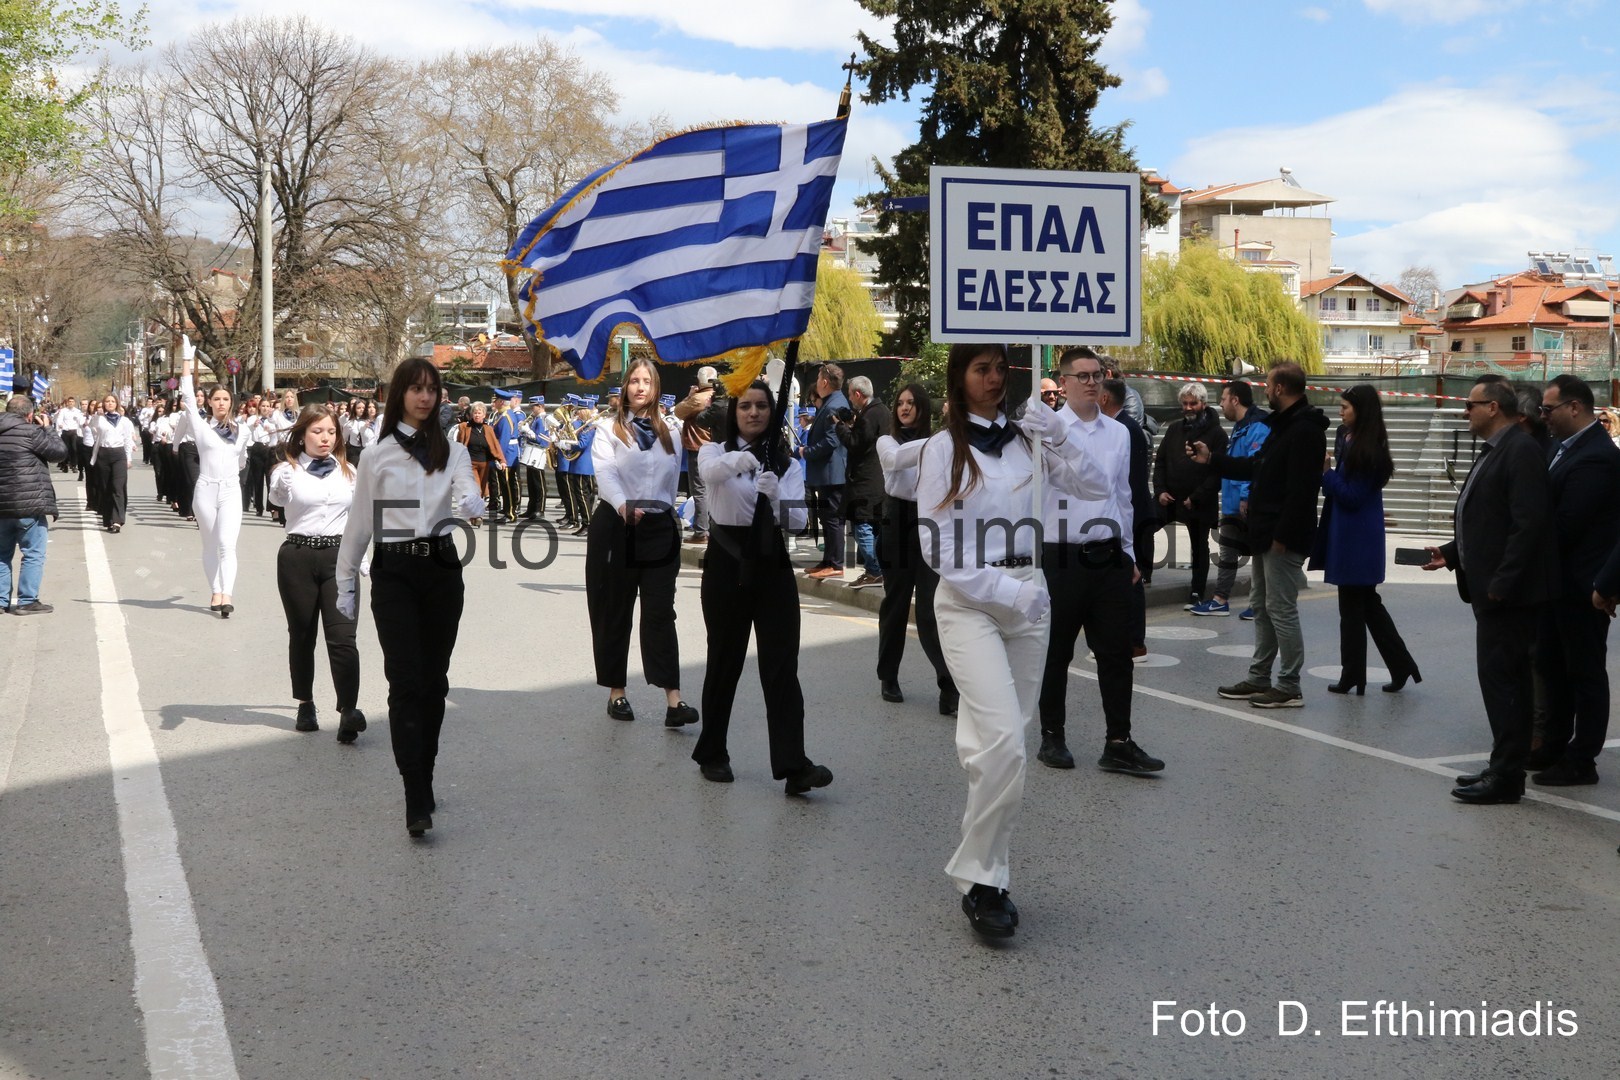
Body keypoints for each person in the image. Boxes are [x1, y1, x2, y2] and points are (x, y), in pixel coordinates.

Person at [917, 343, 1106, 941]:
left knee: (1000, 750)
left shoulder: (1030, 436)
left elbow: (1096, 485)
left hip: (1031, 596)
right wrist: (1003, 589)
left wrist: (1060, 433)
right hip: (973, 601)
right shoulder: (942, 448)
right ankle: (982, 881)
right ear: (960, 377)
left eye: (1000, 368)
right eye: (981, 369)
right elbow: (936, 546)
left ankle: (988, 873)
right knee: (1001, 744)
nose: (994, 378)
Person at [337, 357, 484, 838]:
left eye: (433, 389)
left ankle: (426, 771)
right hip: (394, 570)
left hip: (442, 567)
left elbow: (467, 493)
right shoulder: (376, 456)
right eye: (416, 389)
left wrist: (473, 505)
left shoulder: (454, 452)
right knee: (405, 682)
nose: (425, 397)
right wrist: (346, 582)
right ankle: (414, 791)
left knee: (435, 682)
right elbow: (360, 524)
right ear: (400, 394)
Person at [691, 380, 832, 795]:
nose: (753, 413)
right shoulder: (716, 451)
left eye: (762, 407)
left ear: (772, 413)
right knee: (724, 660)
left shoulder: (787, 464)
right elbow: (710, 473)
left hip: (772, 564)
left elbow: (799, 522)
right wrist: (746, 460)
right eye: (745, 407)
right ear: (734, 411)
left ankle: (793, 765)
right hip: (726, 562)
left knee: (781, 665)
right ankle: (712, 752)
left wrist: (776, 496)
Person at [1422, 377, 1555, 804]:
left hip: (1508, 596)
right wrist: (1451, 552)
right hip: (1492, 590)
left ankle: (1507, 776)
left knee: (1506, 683)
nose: (1466, 411)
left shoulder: (1520, 452)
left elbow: (1528, 525)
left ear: (1494, 407)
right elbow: (1487, 521)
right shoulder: (1497, 449)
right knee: (1500, 682)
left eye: (1470, 405)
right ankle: (1503, 764)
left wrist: (1501, 583)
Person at [1034, 346, 1162, 777]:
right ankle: (1052, 735)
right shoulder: (1046, 431)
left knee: (1116, 653)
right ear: (1064, 382)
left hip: (1108, 557)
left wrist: (1129, 552)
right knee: (1055, 652)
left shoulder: (1119, 433)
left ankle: (1119, 742)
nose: (1092, 382)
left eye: (1097, 375)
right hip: (1061, 557)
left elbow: (1123, 496)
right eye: (1082, 376)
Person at [1190, 361, 1329, 709]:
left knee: (1281, 609)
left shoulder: (1305, 430)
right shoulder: (1281, 426)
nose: (1264, 391)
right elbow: (1256, 467)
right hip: (1266, 532)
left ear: (1280, 388)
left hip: (1282, 535)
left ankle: (1289, 685)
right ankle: (1259, 677)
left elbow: (1303, 489)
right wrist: (1213, 459)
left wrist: (1282, 534)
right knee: (1261, 606)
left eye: (1268, 385)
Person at [586, 357, 698, 728]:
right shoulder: (608, 429)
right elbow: (604, 472)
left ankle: (674, 700)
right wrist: (622, 506)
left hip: (658, 529)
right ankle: (617, 692)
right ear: (625, 386)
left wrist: (670, 515)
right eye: (634, 380)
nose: (639, 387)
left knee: (660, 612)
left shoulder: (670, 430)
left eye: (646, 381)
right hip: (617, 525)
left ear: (655, 387)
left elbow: (669, 482)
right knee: (614, 609)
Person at [1527, 374, 1620, 787]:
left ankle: (1583, 759)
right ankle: (1554, 745)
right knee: (1552, 665)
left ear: (1575, 407)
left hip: (1583, 586)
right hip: (1557, 583)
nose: (1544, 417)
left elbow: (1567, 524)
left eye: (1549, 410)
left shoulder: (1596, 456)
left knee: (1584, 673)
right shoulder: (1564, 449)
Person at [1309, 385, 1419, 695]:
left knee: (1353, 610)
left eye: (1345, 407)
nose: (1340, 411)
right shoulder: (1349, 438)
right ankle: (1399, 665)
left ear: (1362, 410)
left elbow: (1353, 496)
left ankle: (1354, 674)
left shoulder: (1369, 449)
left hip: (1357, 538)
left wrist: (1326, 474)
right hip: (1350, 534)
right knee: (1367, 607)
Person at [269, 405, 365, 742]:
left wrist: (363, 560)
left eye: (331, 432)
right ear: (302, 435)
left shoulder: (349, 471)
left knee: (343, 638)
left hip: (339, 559)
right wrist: (279, 485)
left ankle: (348, 710)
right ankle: (305, 703)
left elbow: (360, 519)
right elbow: (277, 501)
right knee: (303, 634)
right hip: (297, 556)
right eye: (317, 431)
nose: (325, 438)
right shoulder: (287, 470)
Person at [875, 383, 957, 713]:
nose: (905, 408)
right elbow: (894, 461)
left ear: (923, 408)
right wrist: (941, 439)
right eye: (900, 403)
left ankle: (948, 685)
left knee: (930, 608)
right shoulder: (887, 440)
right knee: (895, 603)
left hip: (929, 521)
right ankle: (888, 675)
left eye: (911, 403)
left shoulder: (942, 443)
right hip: (896, 520)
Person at [179, 341, 252, 616]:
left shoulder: (242, 431)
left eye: (226, 399)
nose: (221, 403)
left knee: (227, 544)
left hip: (231, 490)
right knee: (210, 544)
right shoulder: (200, 426)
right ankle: (216, 591)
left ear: (232, 403)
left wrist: (235, 472)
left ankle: (228, 594)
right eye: (217, 399)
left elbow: (242, 458)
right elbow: (186, 396)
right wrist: (187, 359)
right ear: (209, 402)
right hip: (206, 490)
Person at [1190, 380, 1268, 618]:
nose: (1221, 404)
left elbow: (1254, 465)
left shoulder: (1258, 426)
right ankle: (1220, 599)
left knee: (1259, 555)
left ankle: (1258, 604)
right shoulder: (1241, 426)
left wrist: (1246, 496)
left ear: (1235, 399)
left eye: (1223, 399)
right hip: (1234, 502)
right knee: (1227, 551)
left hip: (1246, 503)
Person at [1099, 375, 1158, 659]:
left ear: (1105, 398)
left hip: (1132, 515)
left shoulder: (1126, 429)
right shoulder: (1119, 427)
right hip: (1126, 514)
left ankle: (1136, 641)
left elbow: (1128, 482)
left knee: (1132, 579)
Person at [1153, 382, 1225, 608]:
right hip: (1170, 498)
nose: (1188, 407)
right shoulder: (1174, 429)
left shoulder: (1217, 434)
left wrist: (1197, 497)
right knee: (1142, 527)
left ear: (1203, 404)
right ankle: (1143, 575)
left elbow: (1218, 472)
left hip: (1198, 502)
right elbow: (1161, 461)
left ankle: (1197, 592)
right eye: (1185, 403)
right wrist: (1161, 490)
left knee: (1199, 547)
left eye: (1193, 403)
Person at [0, 394, 68, 614]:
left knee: (1, 554)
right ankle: (27, 601)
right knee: (33, 552)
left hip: (2, 505)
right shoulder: (32, 431)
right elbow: (59, 453)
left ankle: (1, 601)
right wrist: (48, 428)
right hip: (30, 504)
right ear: (29, 414)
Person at [840, 375, 890, 590]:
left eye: (850, 395)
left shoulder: (870, 415)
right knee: (874, 526)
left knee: (862, 526)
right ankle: (878, 570)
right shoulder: (884, 411)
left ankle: (874, 570)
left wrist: (841, 427)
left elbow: (856, 444)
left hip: (865, 480)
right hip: (879, 478)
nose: (850, 399)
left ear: (858, 394)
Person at [801, 363, 849, 580]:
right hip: (827, 473)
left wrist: (806, 452)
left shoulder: (832, 405)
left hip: (832, 473)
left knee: (832, 519)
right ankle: (828, 560)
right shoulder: (832, 403)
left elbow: (831, 440)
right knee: (826, 518)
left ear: (824, 382)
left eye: (819, 377)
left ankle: (836, 564)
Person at [674, 367, 725, 545]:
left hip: (698, 448)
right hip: (715, 447)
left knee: (700, 490)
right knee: (714, 490)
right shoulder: (720, 398)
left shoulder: (698, 398)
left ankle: (701, 531)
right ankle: (712, 527)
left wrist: (689, 395)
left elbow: (678, 411)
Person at [87, 393, 137, 533]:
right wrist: (97, 414)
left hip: (119, 455)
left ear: (117, 404)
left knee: (117, 487)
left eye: (112, 401)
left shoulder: (124, 421)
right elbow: (92, 427)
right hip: (103, 454)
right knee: (105, 488)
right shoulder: (100, 419)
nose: (109, 404)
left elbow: (128, 440)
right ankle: (108, 519)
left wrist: (129, 458)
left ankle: (117, 520)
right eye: (107, 401)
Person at [456, 401, 506, 520]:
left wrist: (502, 460)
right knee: (476, 489)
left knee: (483, 490)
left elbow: (495, 445)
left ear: (484, 415)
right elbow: (458, 444)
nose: (477, 415)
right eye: (475, 413)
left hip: (484, 463)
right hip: (470, 463)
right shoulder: (464, 427)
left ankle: (474, 512)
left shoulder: (488, 429)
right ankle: (476, 515)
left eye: (479, 413)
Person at [517, 397, 551, 519]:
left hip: (538, 451)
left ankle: (540, 510)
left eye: (534, 407)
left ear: (540, 406)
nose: (532, 409)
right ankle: (531, 508)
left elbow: (540, 438)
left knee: (538, 482)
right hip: (531, 451)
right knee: (531, 482)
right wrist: (524, 431)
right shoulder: (536, 418)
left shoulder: (543, 419)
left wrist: (528, 431)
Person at [53, 396, 84, 478]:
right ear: (67, 403)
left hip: (74, 431)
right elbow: (59, 419)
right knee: (66, 449)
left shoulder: (77, 411)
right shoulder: (63, 411)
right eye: (69, 401)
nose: (71, 403)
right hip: (65, 431)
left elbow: (80, 420)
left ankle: (74, 465)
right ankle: (65, 464)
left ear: (74, 403)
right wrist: (60, 425)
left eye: (72, 402)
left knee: (74, 449)